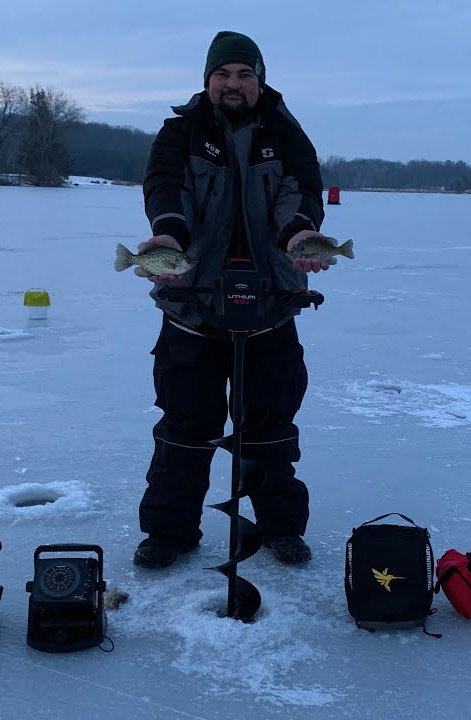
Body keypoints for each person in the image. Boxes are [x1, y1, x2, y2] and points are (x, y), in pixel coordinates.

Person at [133, 30, 332, 569]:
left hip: (270, 304)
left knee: (270, 427)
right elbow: (165, 187)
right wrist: (167, 233)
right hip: (191, 303)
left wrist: (299, 232)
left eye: (244, 74)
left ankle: (279, 528)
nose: (233, 83)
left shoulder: (287, 135)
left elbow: (301, 193)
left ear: (260, 81)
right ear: (207, 81)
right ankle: (170, 533)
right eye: (222, 74)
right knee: (185, 426)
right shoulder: (179, 133)